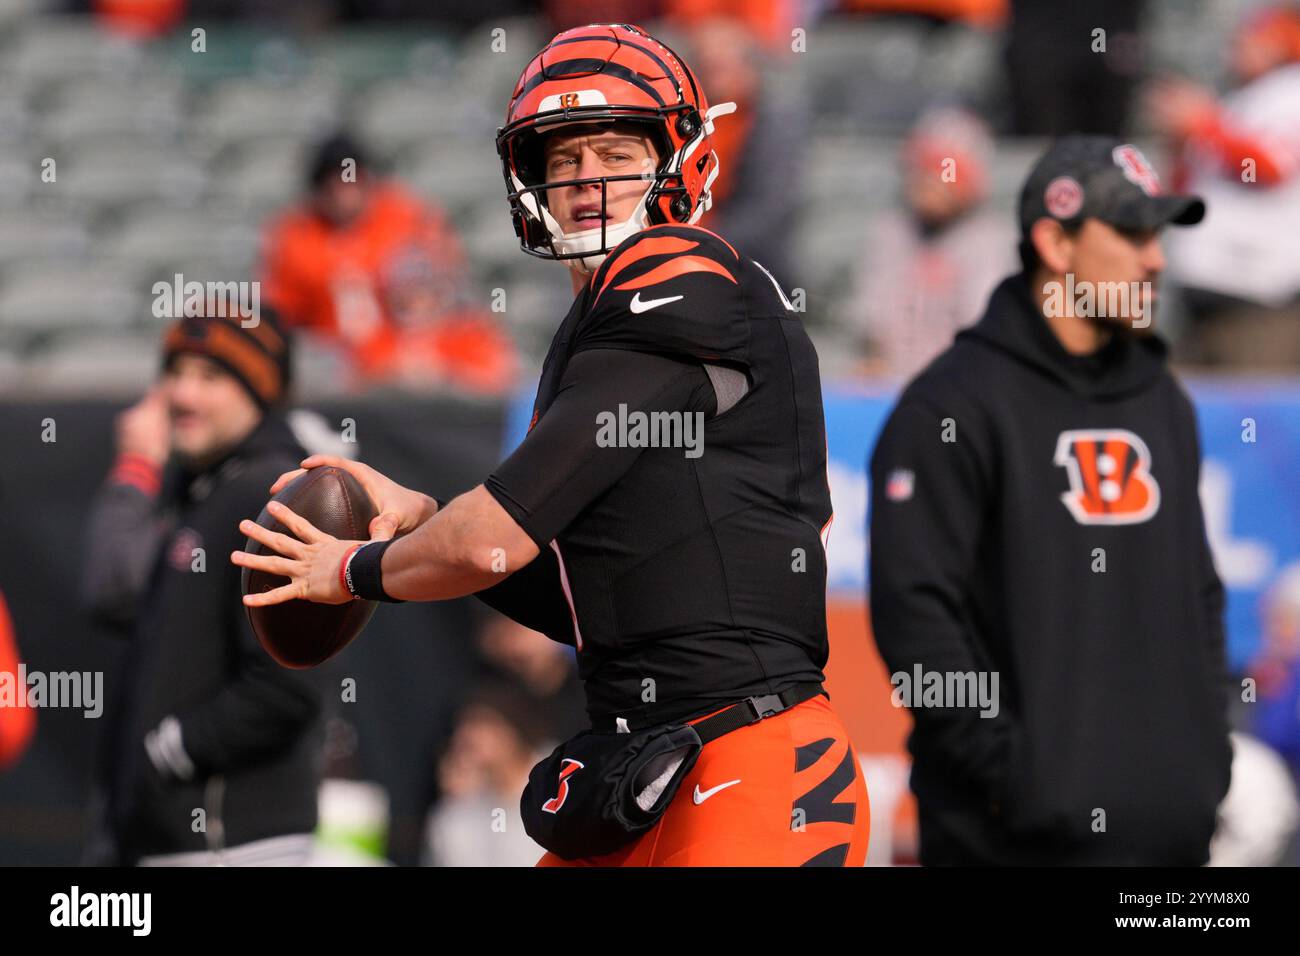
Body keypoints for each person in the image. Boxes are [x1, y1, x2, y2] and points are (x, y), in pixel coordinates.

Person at [231, 22, 871, 867]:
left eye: (612, 151)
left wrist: (352, 569)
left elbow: (493, 539)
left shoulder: (682, 276)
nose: (585, 180)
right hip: (640, 767)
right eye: (562, 160)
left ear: (678, 156)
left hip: (756, 759)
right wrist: (422, 516)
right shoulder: (591, 326)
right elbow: (584, 602)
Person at [868, 136, 1232, 865]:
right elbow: (916, 621)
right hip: (1006, 842)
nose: (1155, 259)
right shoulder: (950, 405)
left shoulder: (1163, 399)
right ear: (1055, 243)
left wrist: (1201, 766)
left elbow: (1199, 595)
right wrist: (1018, 779)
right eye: (1130, 233)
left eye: (1157, 235)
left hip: (1170, 845)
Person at [82, 309, 324, 866]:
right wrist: (138, 469)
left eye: (211, 377)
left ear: (259, 389)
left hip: (230, 843)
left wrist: (171, 750)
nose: (183, 395)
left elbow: (289, 686)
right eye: (175, 372)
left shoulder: (276, 491)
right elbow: (112, 593)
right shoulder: (207, 487)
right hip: (177, 841)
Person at [259, 131, 517, 393]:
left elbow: (493, 384)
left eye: (350, 180)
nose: (342, 194)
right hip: (345, 359)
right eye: (331, 184)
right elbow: (281, 313)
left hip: (412, 349)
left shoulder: (407, 216)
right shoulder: (294, 236)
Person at [847, 106, 1017, 380]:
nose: (928, 184)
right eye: (922, 171)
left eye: (942, 172)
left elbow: (980, 337)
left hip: (958, 386)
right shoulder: (890, 232)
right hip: (889, 386)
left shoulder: (989, 241)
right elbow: (870, 325)